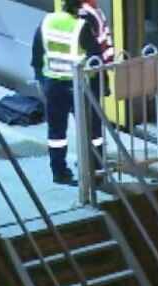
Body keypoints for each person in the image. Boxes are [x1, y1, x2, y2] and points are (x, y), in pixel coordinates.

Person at [31, 0, 106, 186]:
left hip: (53, 85)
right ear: (78, 8)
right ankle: (95, 170)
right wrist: (99, 86)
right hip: (79, 87)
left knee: (56, 132)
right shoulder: (81, 27)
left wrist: (42, 79)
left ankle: (59, 172)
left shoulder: (46, 22)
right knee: (92, 130)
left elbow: (36, 55)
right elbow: (96, 60)